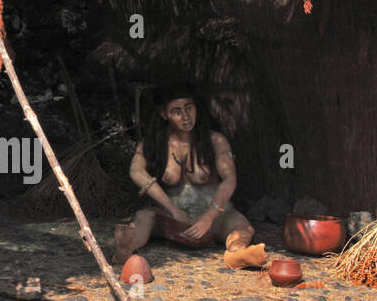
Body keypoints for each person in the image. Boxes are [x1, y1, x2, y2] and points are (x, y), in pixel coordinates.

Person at [112, 86, 267, 269]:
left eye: (189, 108)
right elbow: (136, 171)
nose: (186, 117)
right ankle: (125, 250)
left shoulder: (216, 141)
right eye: (177, 112)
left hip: (214, 217)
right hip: (171, 220)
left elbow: (229, 179)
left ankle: (237, 253)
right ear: (164, 114)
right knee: (144, 217)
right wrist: (172, 210)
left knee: (242, 227)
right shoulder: (151, 144)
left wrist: (209, 216)